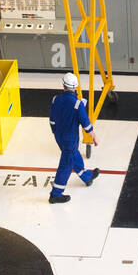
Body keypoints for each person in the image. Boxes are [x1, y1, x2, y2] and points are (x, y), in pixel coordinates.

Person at [47, 72, 100, 204]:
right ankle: (56, 194)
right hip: (70, 138)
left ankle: (87, 177)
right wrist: (93, 136)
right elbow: (85, 122)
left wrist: (55, 132)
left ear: (63, 85)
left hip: (59, 136)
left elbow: (52, 120)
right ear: (75, 87)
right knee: (66, 165)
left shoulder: (55, 100)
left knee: (73, 156)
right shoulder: (77, 104)